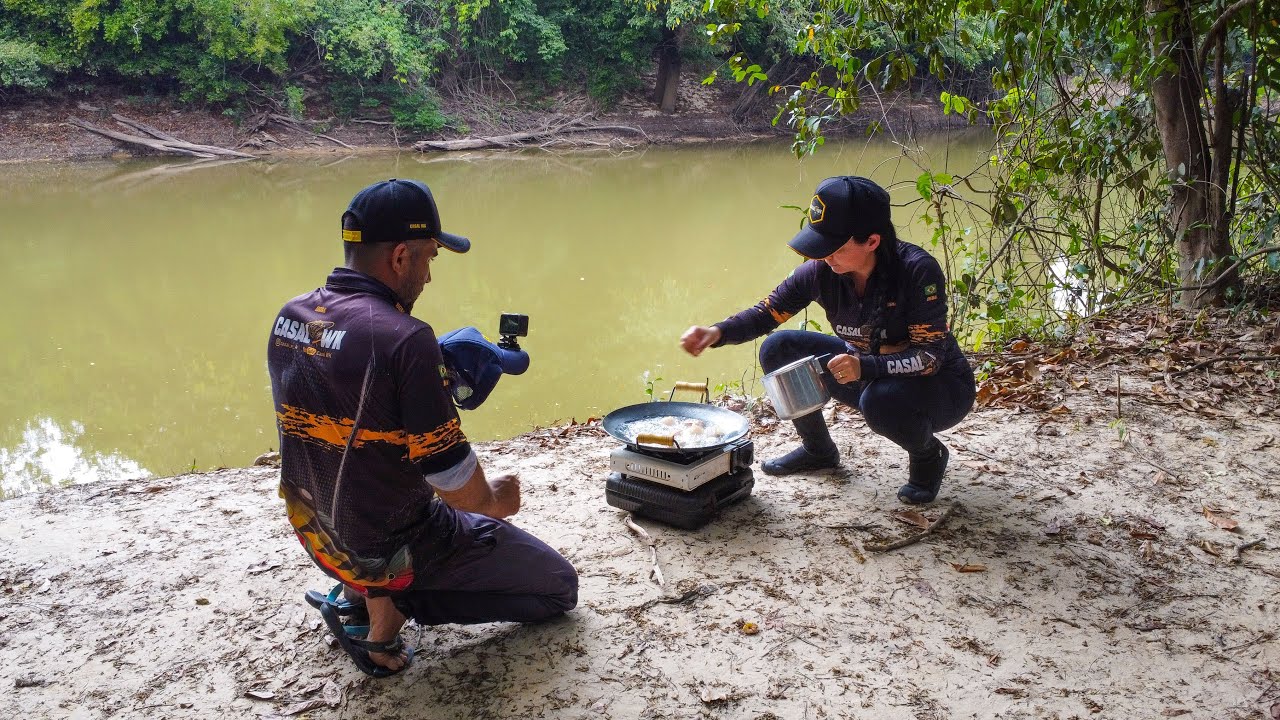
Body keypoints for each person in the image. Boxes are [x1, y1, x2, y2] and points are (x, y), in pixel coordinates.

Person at [266, 178, 578, 677]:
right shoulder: (407, 340)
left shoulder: (291, 316)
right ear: (400, 257)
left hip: (317, 530)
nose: (429, 276)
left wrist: (432, 371)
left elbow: (348, 413)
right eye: (430, 257)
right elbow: (458, 486)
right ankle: (391, 610)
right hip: (392, 546)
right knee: (558, 586)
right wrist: (497, 501)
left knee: (366, 486)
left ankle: (353, 597)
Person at [679, 176, 975, 504]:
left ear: (872, 241)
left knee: (879, 401)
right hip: (867, 372)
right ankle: (818, 450)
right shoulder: (822, 272)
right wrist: (716, 333)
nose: (824, 257)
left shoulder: (917, 272)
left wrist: (865, 366)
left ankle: (927, 456)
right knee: (779, 349)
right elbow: (767, 313)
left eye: (834, 247)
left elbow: (929, 358)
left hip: (940, 389)